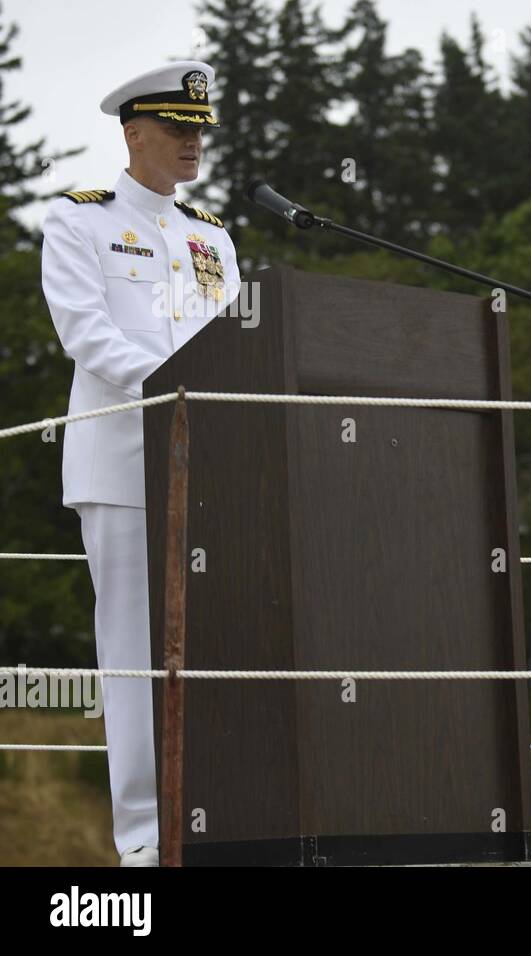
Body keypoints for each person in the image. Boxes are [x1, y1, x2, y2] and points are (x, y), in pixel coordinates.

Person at [41, 61, 239, 866]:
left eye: (201, 130)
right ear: (135, 134)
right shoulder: (78, 220)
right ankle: (143, 848)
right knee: (131, 658)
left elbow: (237, 340)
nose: (195, 143)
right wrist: (168, 390)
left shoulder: (213, 235)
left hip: (217, 467)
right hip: (124, 463)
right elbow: (84, 331)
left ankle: (218, 826)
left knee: (222, 653)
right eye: (179, 129)